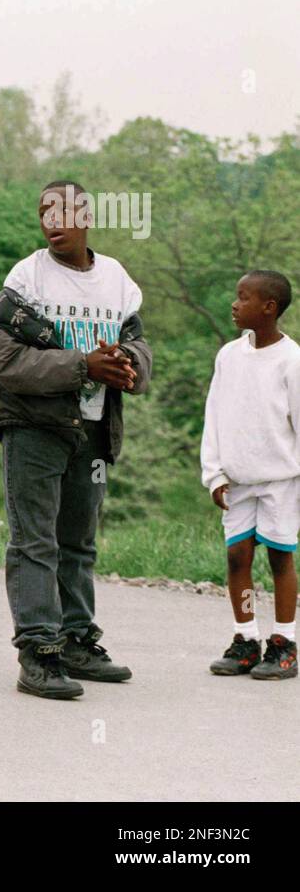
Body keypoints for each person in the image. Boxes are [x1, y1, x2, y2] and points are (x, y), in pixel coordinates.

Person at [0, 180, 152, 699]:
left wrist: (128, 367)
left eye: (63, 211)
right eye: (43, 213)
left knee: (78, 542)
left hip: (93, 428)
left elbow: (139, 343)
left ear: (86, 215)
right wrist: (81, 365)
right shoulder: (27, 277)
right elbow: (2, 356)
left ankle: (76, 641)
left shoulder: (116, 278)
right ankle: (38, 652)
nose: (52, 222)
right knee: (35, 540)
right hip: (34, 425)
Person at [201, 270, 300, 680]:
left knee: (280, 557)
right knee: (237, 556)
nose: (235, 304)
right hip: (238, 480)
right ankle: (245, 639)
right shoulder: (229, 355)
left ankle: (284, 642)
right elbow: (214, 414)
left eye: (244, 298)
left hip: (280, 480)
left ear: (269, 307)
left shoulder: (292, 360)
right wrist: (214, 474)